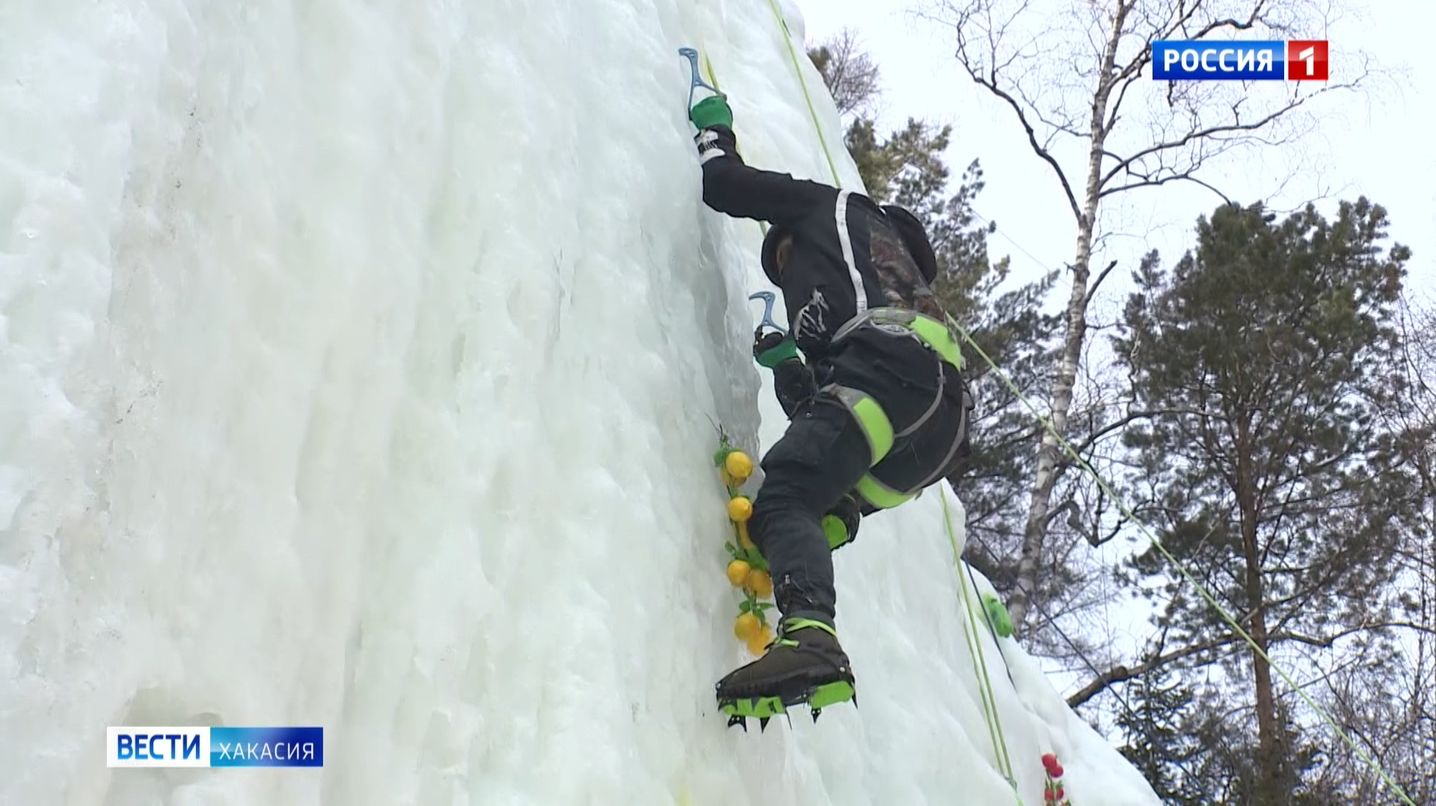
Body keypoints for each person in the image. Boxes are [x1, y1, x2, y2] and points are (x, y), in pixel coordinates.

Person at [688, 93, 975, 719]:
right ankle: (818, 537)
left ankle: (811, 637)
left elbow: (724, 186)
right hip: (929, 431)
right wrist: (788, 364)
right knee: (812, 485)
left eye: (782, 257)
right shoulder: (874, 292)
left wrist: (714, 133)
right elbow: (825, 421)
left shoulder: (833, 208)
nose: (785, 272)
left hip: (899, 369)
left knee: (785, 490)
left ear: (792, 236)